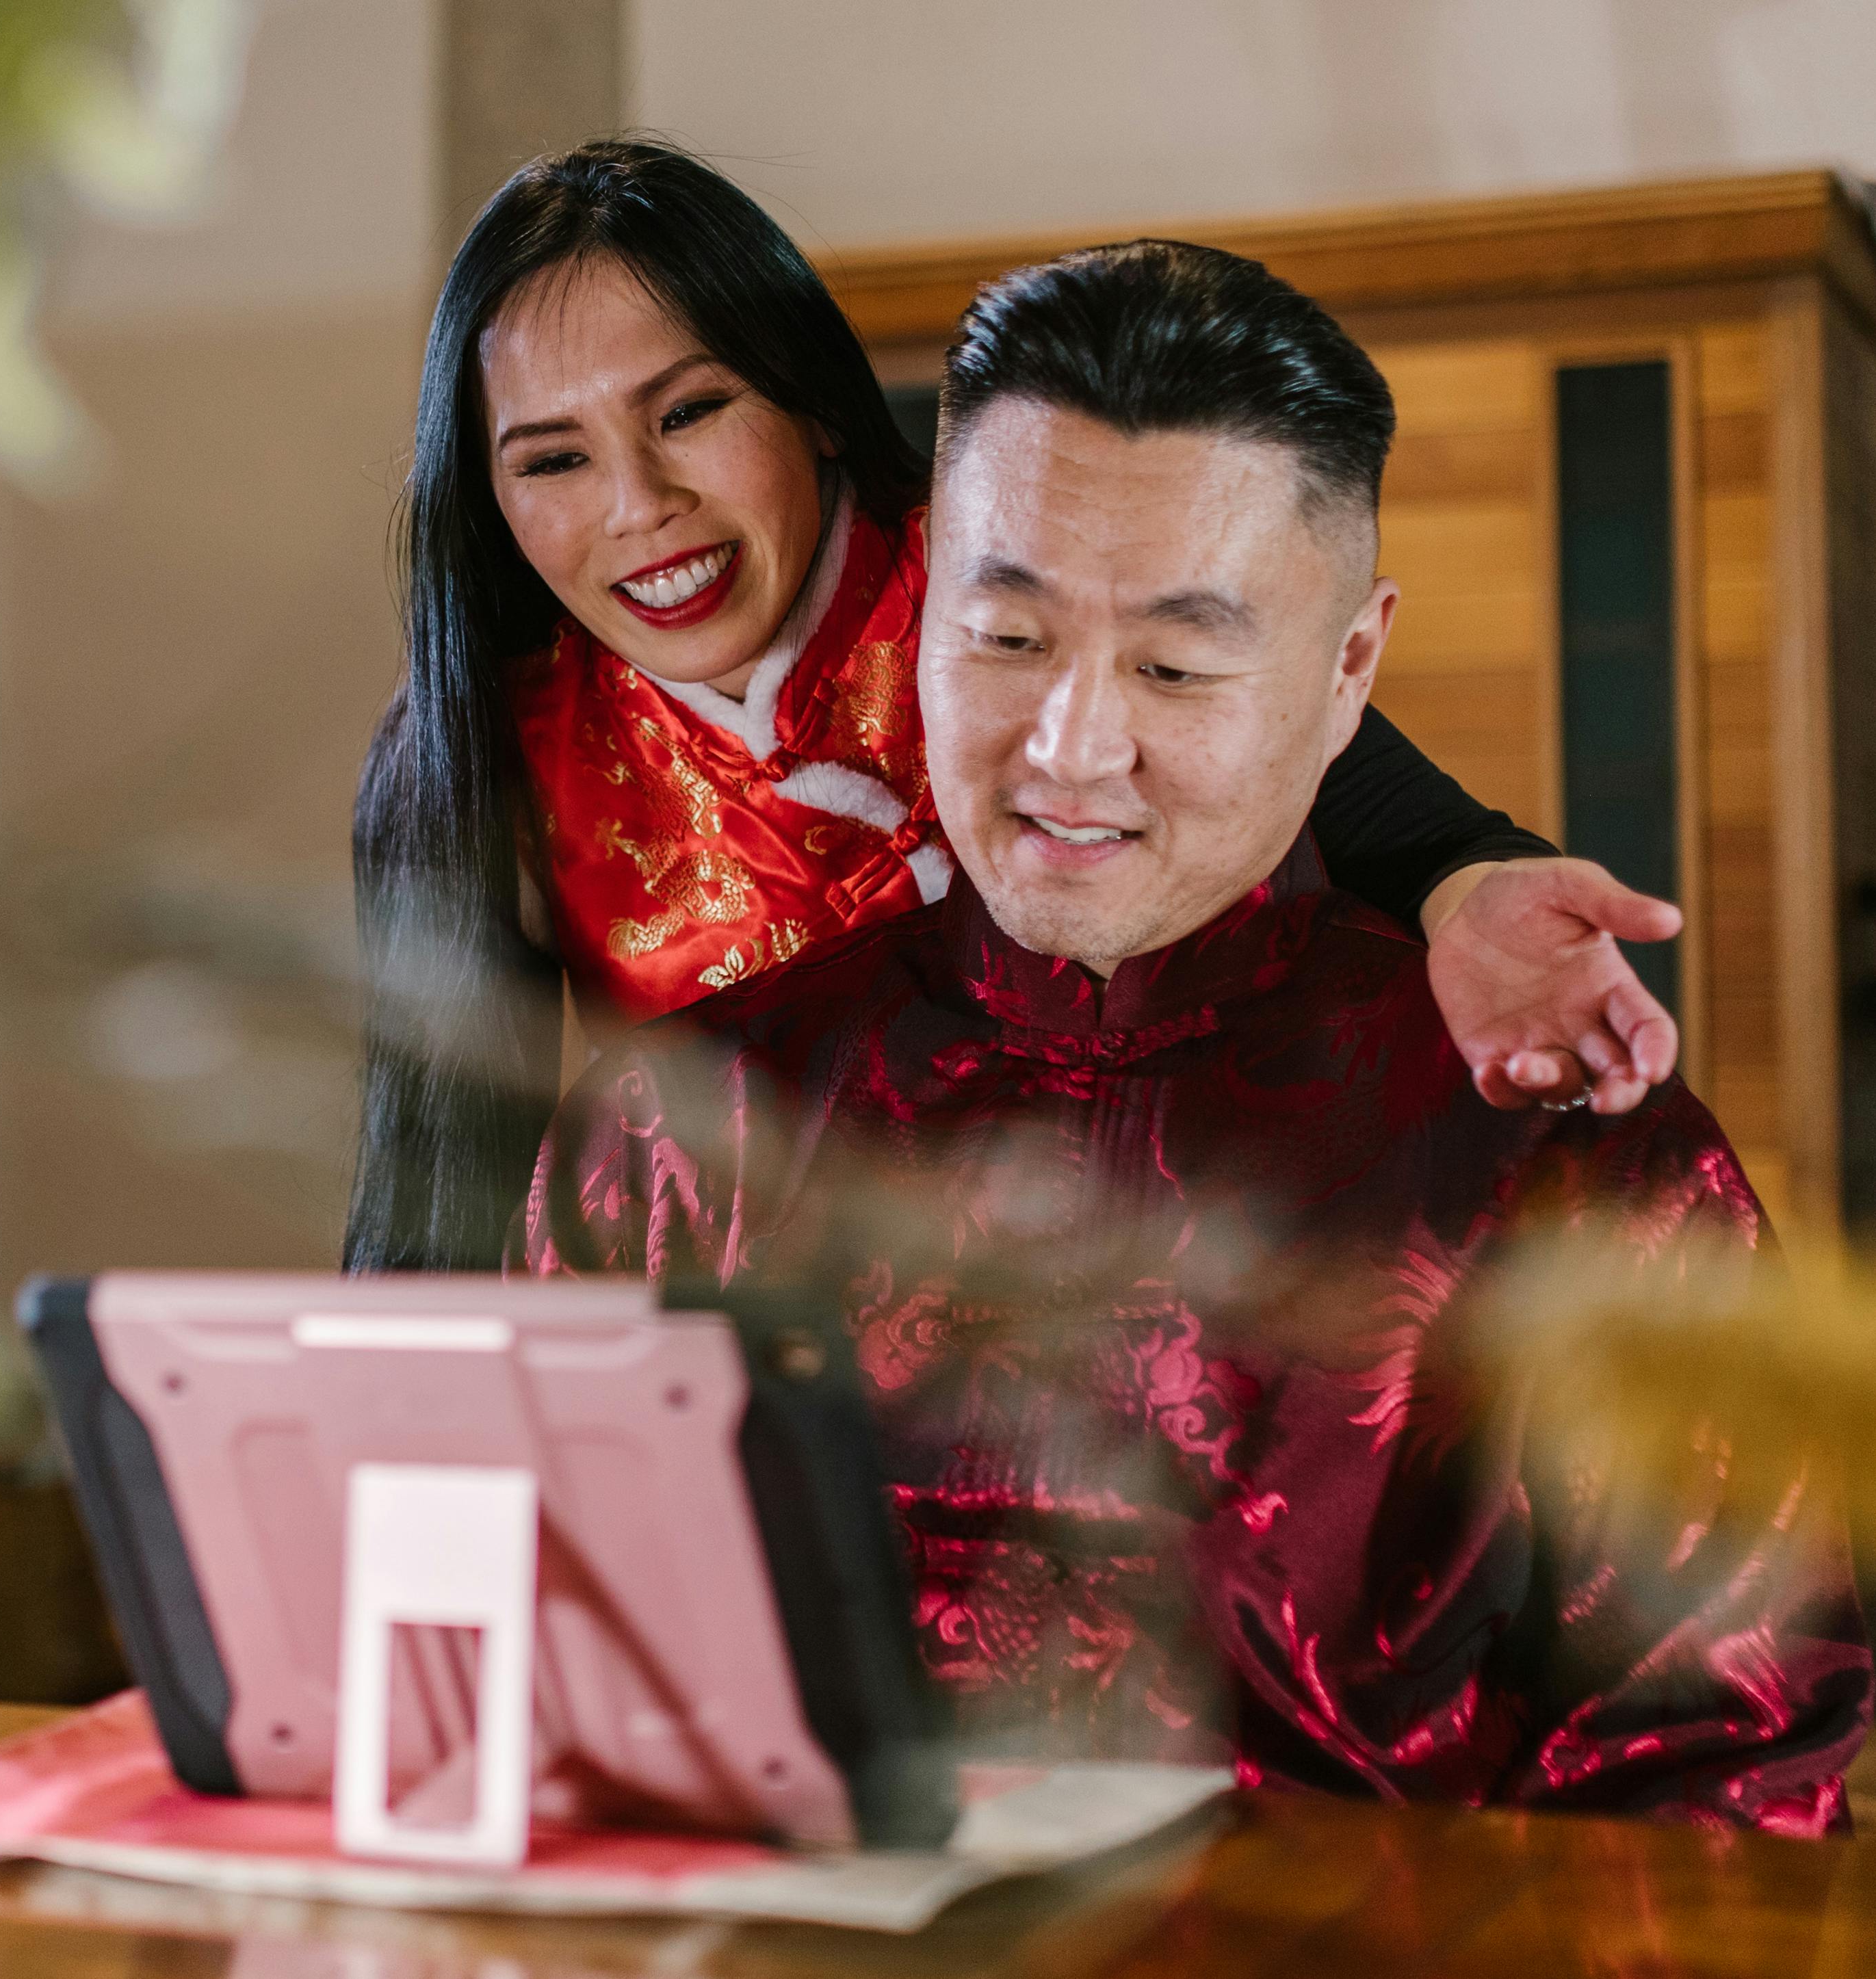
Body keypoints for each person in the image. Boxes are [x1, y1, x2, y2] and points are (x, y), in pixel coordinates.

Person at [524, 239, 1871, 1829]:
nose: (1070, 747)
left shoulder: (1566, 1155)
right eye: (1006, 637)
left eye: (1172, 664)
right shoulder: (690, 1121)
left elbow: (1731, 1775)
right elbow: (540, 1687)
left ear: (1348, 667)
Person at [351, 142, 1682, 1276]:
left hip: (1188, 1248)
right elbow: (445, 1203)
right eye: (553, 460)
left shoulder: (1014, 576)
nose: (641, 507)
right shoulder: (492, 759)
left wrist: (1478, 892)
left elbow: (1380, 804)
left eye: (691, 410)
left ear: (810, 399)